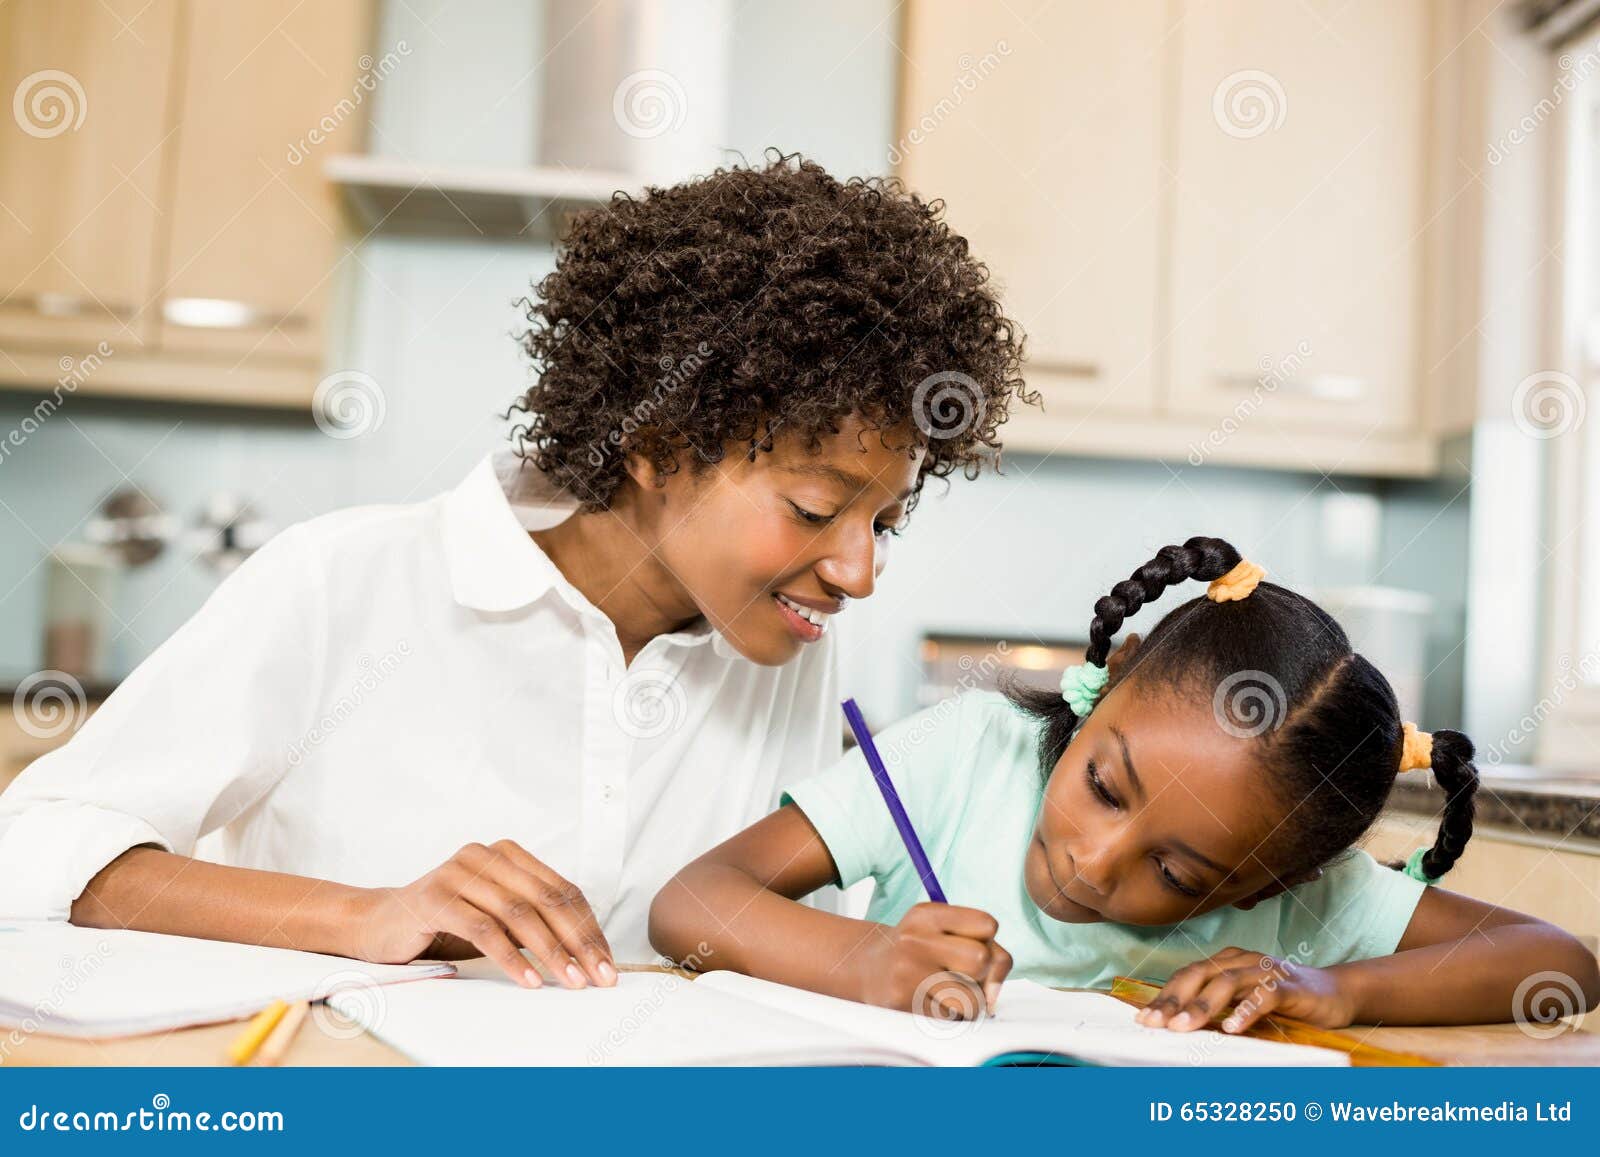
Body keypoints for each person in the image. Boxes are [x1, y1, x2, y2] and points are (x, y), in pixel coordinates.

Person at [0, 154, 1028, 989]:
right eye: (813, 509)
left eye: (884, 519)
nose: (860, 569)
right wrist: (369, 915)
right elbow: (32, 850)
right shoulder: (346, 580)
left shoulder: (791, 652)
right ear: (659, 444)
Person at [650, 536, 1600, 1031]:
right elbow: (692, 901)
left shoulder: (1295, 897)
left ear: (1264, 886)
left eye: (1182, 877)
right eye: (1104, 784)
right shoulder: (968, 750)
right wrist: (863, 960)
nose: (1096, 864)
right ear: (1114, 675)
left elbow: (1559, 963)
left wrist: (1334, 987)